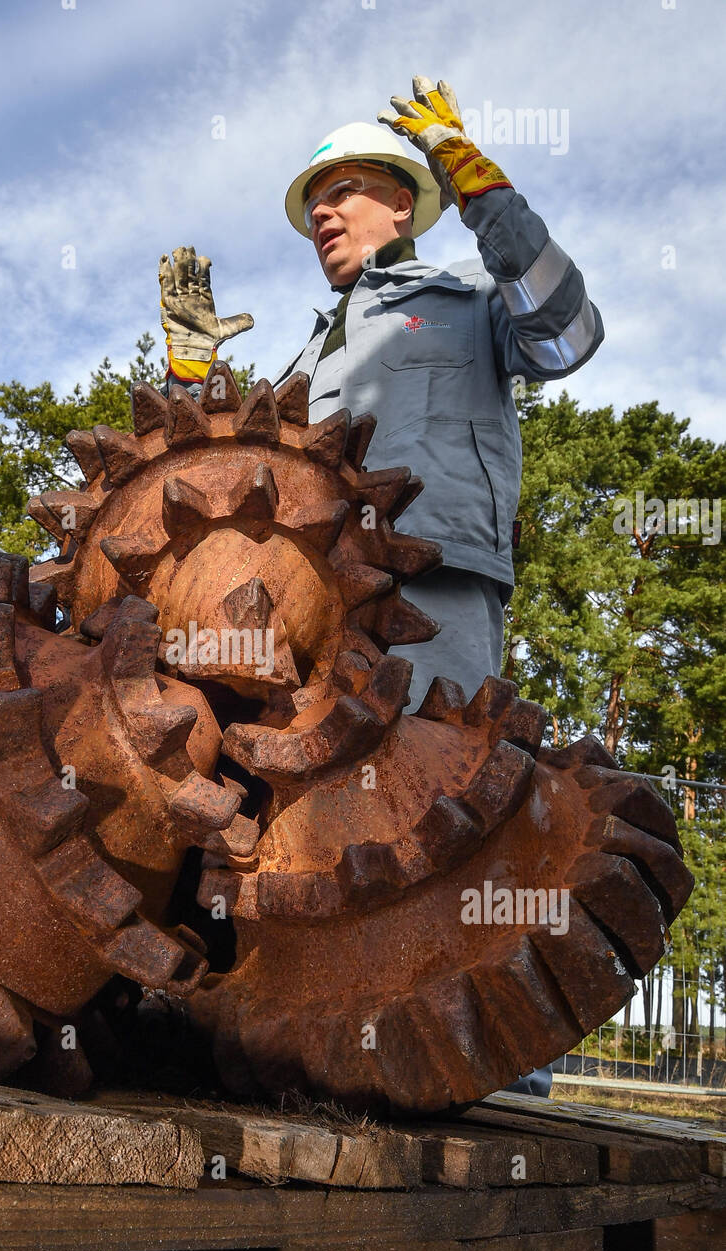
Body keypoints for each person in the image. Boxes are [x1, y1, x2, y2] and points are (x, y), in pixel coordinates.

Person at [159, 77, 606, 1098]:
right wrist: (193, 380)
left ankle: (474, 1050)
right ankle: (297, 1030)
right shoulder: (302, 361)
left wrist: (479, 177)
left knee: (437, 800)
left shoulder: (467, 306)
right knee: (304, 815)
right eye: (313, 199)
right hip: (318, 612)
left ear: (404, 201)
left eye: (345, 189)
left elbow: (568, 332)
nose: (320, 211)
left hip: (440, 582)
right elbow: (231, 495)